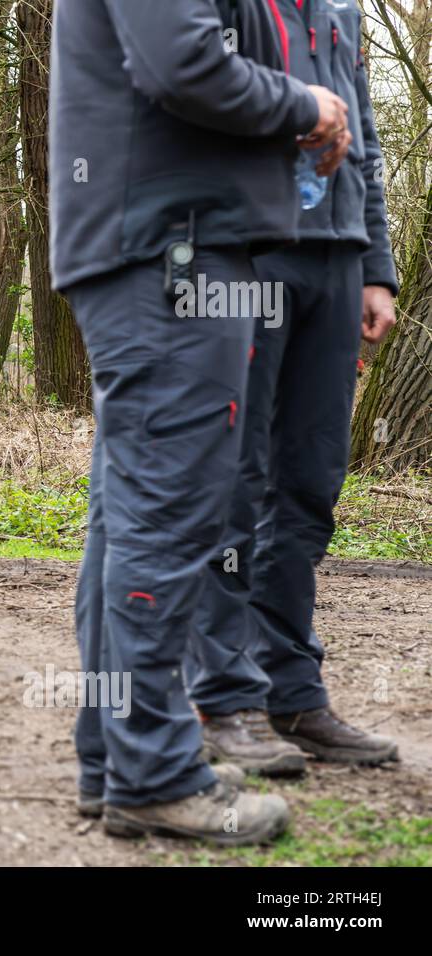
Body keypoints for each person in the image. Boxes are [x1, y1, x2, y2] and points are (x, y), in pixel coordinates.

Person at [50, 0, 350, 844]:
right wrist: (308, 105)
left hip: (157, 245)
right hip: (170, 252)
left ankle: (117, 757)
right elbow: (182, 63)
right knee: (166, 518)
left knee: (128, 517)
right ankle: (154, 774)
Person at [185, 0, 400, 774]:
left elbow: (365, 141)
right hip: (248, 251)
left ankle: (293, 695)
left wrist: (377, 270)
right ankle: (224, 699)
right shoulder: (228, 7)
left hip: (338, 263)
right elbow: (196, 92)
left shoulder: (343, 13)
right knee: (234, 476)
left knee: (309, 483)